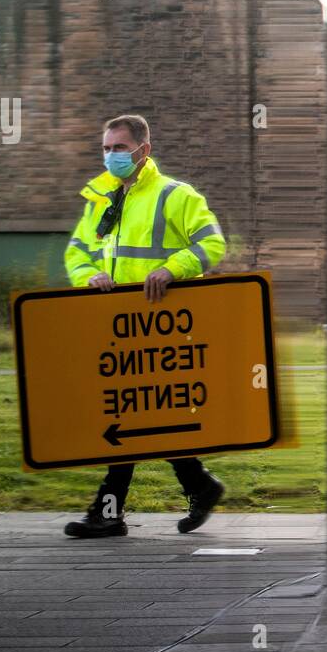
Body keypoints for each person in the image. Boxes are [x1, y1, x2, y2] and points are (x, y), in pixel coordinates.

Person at [62, 114, 227, 538]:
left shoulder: (177, 195)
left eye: (118, 148)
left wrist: (172, 269)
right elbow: (77, 253)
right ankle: (197, 486)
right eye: (105, 148)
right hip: (117, 325)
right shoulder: (101, 198)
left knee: (137, 414)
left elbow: (211, 244)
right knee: (141, 414)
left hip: (164, 326)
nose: (110, 156)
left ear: (143, 150)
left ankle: (109, 512)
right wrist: (88, 277)